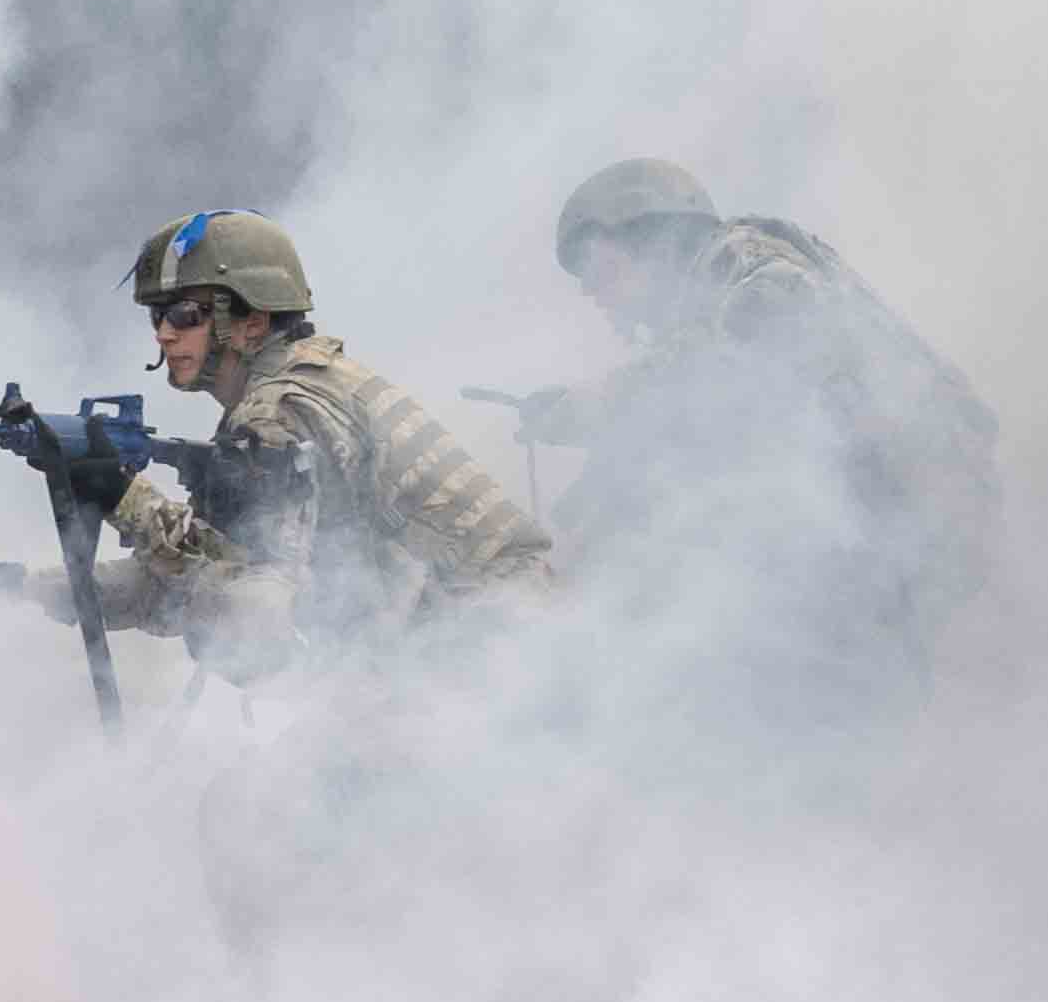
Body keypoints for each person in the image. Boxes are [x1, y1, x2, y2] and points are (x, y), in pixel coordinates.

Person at [522, 158, 998, 703]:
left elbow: (748, 346)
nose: (591, 293)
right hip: (860, 558)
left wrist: (594, 407)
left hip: (876, 551)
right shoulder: (703, 310)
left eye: (595, 267)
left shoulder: (747, 260)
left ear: (649, 236)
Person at [56, 209, 550, 683]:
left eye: (188, 314)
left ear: (255, 321)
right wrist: (23, 588)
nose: (165, 334)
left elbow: (250, 602)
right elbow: (179, 587)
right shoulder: (301, 383)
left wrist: (123, 498)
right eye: (158, 316)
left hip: (482, 650)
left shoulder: (279, 410)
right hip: (483, 640)